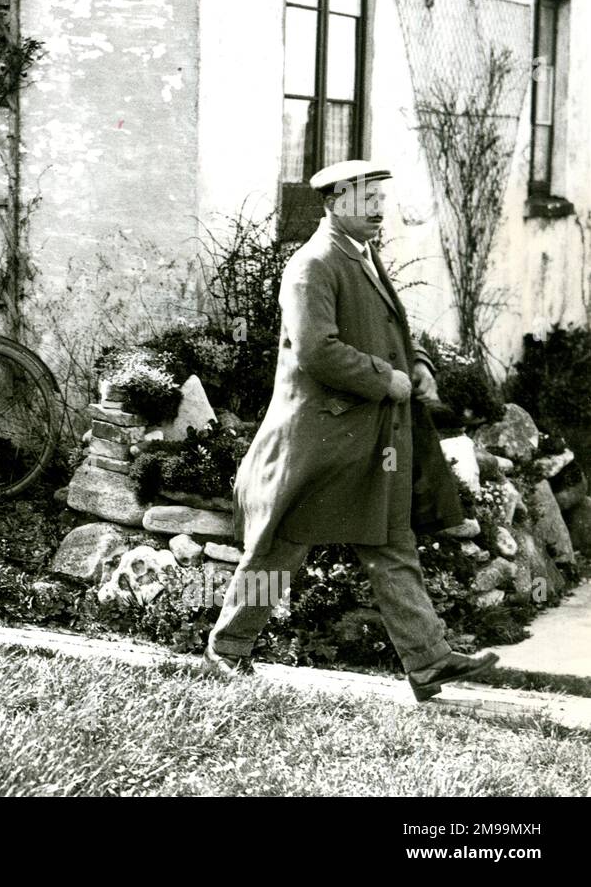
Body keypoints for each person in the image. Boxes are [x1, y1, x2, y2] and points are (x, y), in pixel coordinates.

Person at [204, 159, 498, 701]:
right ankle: (228, 649)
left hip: (368, 440)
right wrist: (385, 378)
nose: (379, 210)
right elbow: (317, 350)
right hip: (317, 443)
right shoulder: (313, 264)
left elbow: (387, 329)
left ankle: (429, 662)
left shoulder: (360, 256)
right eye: (368, 200)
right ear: (336, 201)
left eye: (381, 199)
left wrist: (419, 362)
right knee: (280, 549)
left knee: (391, 544)